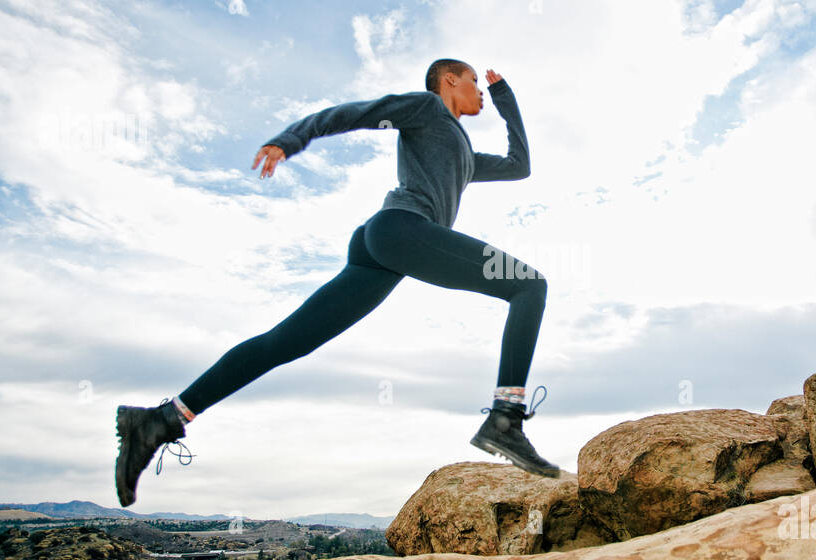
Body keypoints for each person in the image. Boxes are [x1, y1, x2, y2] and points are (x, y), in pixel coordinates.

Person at [114, 60, 558, 507]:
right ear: (449, 81)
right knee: (527, 286)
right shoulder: (425, 109)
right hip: (399, 229)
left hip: (381, 249)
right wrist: (290, 140)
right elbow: (357, 113)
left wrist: (505, 99)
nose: (480, 91)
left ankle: (162, 419)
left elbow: (520, 166)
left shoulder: (464, 152)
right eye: (475, 83)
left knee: (284, 342)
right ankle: (505, 421)